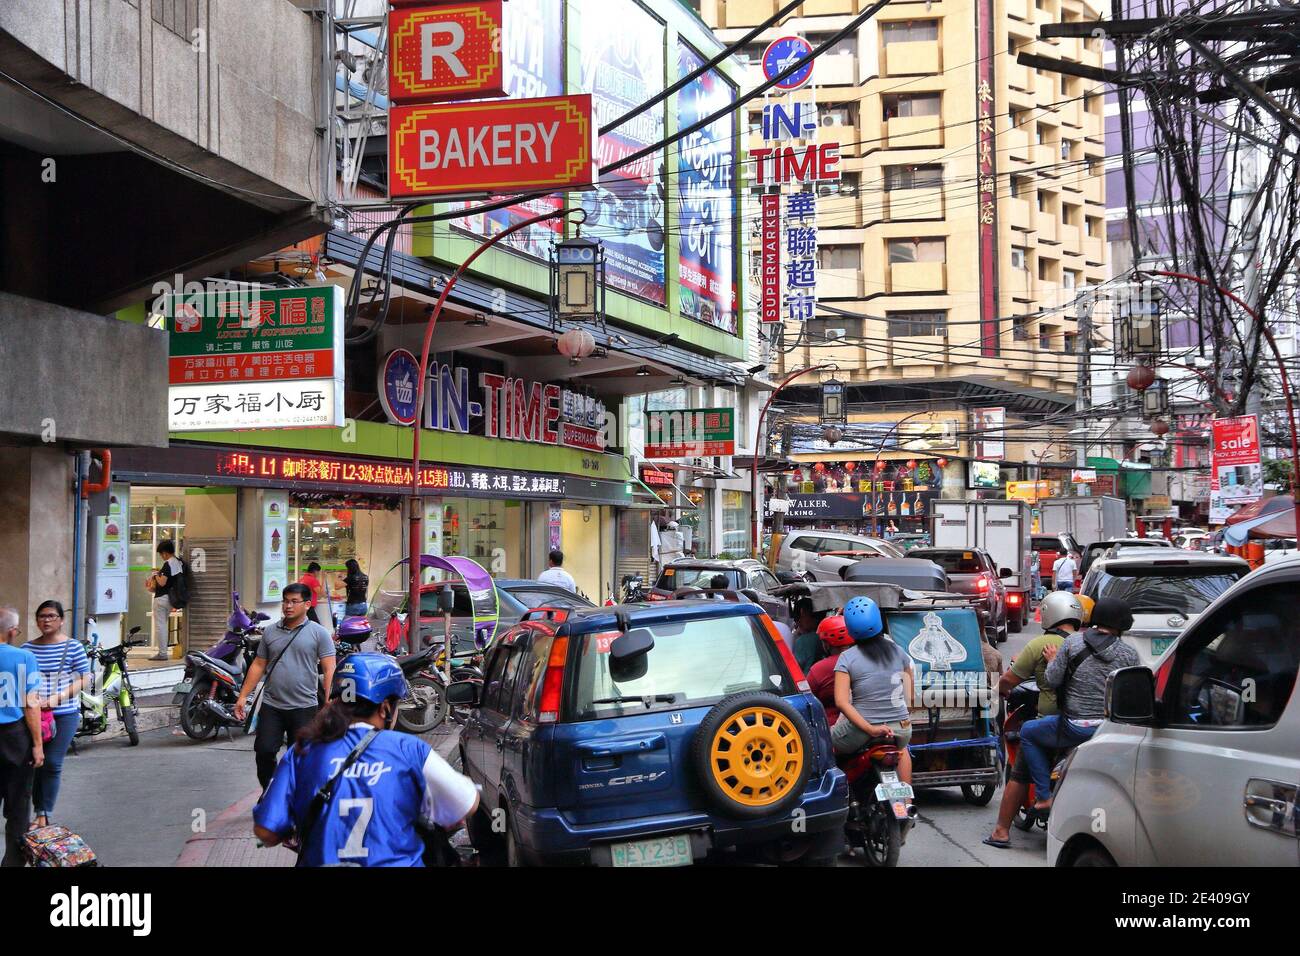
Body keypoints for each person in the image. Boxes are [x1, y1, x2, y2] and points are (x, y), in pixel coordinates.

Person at [253, 654, 479, 866]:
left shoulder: (301, 751)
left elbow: (266, 832)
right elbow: (466, 803)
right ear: (385, 708)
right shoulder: (409, 749)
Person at [1018, 596, 1139, 812]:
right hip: (1106, 731)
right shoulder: (1129, 655)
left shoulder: (1073, 643)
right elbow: (1130, 697)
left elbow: (1053, 680)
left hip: (1072, 728)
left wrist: (1054, 660)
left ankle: (1044, 796)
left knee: (1027, 731)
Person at [983, 590, 1084, 849]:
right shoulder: (1086, 642)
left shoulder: (1042, 644)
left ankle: (1001, 831)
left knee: (1019, 775)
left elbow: (1010, 679)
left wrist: (998, 690)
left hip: (1051, 720)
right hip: (1087, 720)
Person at [234, 583, 337, 791]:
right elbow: (259, 664)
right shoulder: (270, 632)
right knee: (263, 751)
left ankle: (295, 796)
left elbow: (329, 668)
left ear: (307, 604)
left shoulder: (319, 633)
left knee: (300, 756)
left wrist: (329, 700)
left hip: (304, 707)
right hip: (273, 705)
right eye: (285, 601)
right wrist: (243, 696)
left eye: (294, 601)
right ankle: (270, 791)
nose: (288, 606)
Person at [831, 597, 916, 788]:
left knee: (826, 742)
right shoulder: (899, 651)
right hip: (901, 729)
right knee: (903, 750)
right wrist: (901, 717)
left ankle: (843, 797)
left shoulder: (846, 658)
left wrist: (870, 729)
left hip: (862, 731)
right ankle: (908, 803)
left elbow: (842, 702)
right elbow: (910, 696)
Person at [23, 600, 92, 829]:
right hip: (33, 716)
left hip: (63, 714)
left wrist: (56, 699)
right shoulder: (26, 649)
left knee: (52, 762)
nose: (46, 620)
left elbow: (85, 678)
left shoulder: (73, 647)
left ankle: (44, 812)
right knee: (36, 761)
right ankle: (38, 812)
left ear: (62, 620)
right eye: (42, 616)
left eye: (52, 616)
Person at [0, 605, 42, 866]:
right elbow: (31, 704)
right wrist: (37, 744)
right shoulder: (24, 658)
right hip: (13, 737)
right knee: (17, 807)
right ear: (13, 631)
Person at [806, 615, 852, 727]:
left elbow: (806, 700)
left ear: (826, 644)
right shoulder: (863, 660)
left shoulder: (818, 669)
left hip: (829, 728)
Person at [147, 540, 184, 660]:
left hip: (162, 599)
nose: (161, 556)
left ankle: (162, 653)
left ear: (164, 553)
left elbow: (162, 582)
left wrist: (156, 574)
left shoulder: (168, 564)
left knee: (160, 626)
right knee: (163, 625)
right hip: (171, 599)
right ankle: (163, 651)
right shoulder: (178, 562)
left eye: (161, 554)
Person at [790, 598, 826, 672]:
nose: (799, 621)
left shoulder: (803, 641)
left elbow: (794, 669)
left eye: (801, 616)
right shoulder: (825, 635)